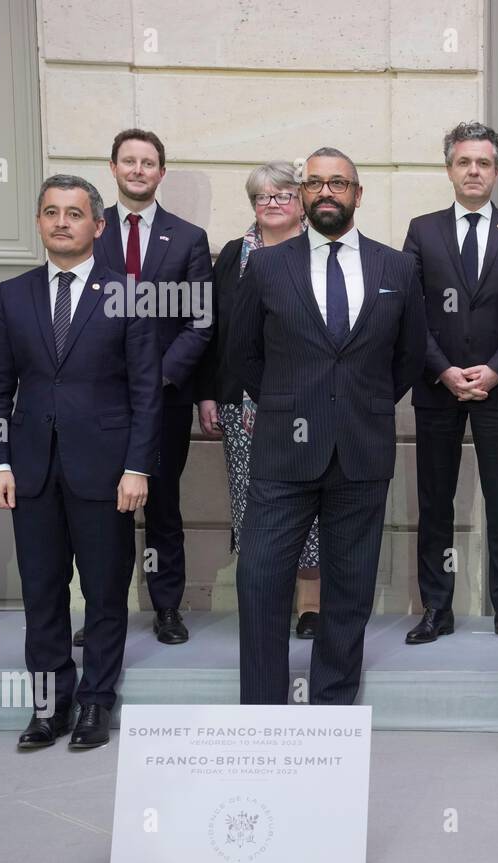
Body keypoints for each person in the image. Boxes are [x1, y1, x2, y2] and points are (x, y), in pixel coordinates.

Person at [229, 147, 426, 705]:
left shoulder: (397, 267)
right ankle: (262, 711)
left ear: (358, 194)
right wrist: (286, 404)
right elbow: (241, 353)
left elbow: (409, 356)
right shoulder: (266, 266)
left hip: (361, 451)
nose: (326, 192)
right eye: (314, 183)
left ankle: (332, 712)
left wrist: (364, 403)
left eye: (339, 183)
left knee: (349, 588)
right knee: (261, 581)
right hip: (283, 452)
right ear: (301, 196)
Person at [0, 174, 161, 750]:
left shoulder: (126, 294)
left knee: (106, 592)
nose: (62, 222)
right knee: (42, 591)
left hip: (107, 471)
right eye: (52, 212)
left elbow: (147, 391)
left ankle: (94, 704)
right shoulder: (13, 294)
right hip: (30, 471)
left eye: (74, 213)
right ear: (39, 222)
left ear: (97, 225)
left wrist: (138, 467)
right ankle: (47, 707)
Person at [402, 122, 498, 646]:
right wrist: (442, 369)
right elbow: (410, 310)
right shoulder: (423, 229)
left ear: (496, 171)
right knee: (435, 501)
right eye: (465, 162)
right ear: (449, 169)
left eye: (484, 163)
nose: (474, 171)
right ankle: (436, 607)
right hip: (438, 386)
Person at [81, 128, 211, 647]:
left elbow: (200, 321)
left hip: (166, 399)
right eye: (129, 161)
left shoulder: (187, 239)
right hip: (99, 401)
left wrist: (154, 378)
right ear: (112, 168)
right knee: (100, 510)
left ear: (162, 172)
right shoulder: (90, 231)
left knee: (162, 506)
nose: (138, 170)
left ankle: (166, 608)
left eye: (148, 162)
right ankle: (102, 613)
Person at [194, 162, 322, 639]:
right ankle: (265, 600)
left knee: (310, 501)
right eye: (262, 196)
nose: (272, 202)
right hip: (240, 404)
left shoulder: (321, 251)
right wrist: (206, 392)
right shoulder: (233, 255)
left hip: (309, 403)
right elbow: (212, 329)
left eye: (283, 194)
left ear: (302, 201)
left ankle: (310, 605)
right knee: (252, 504)